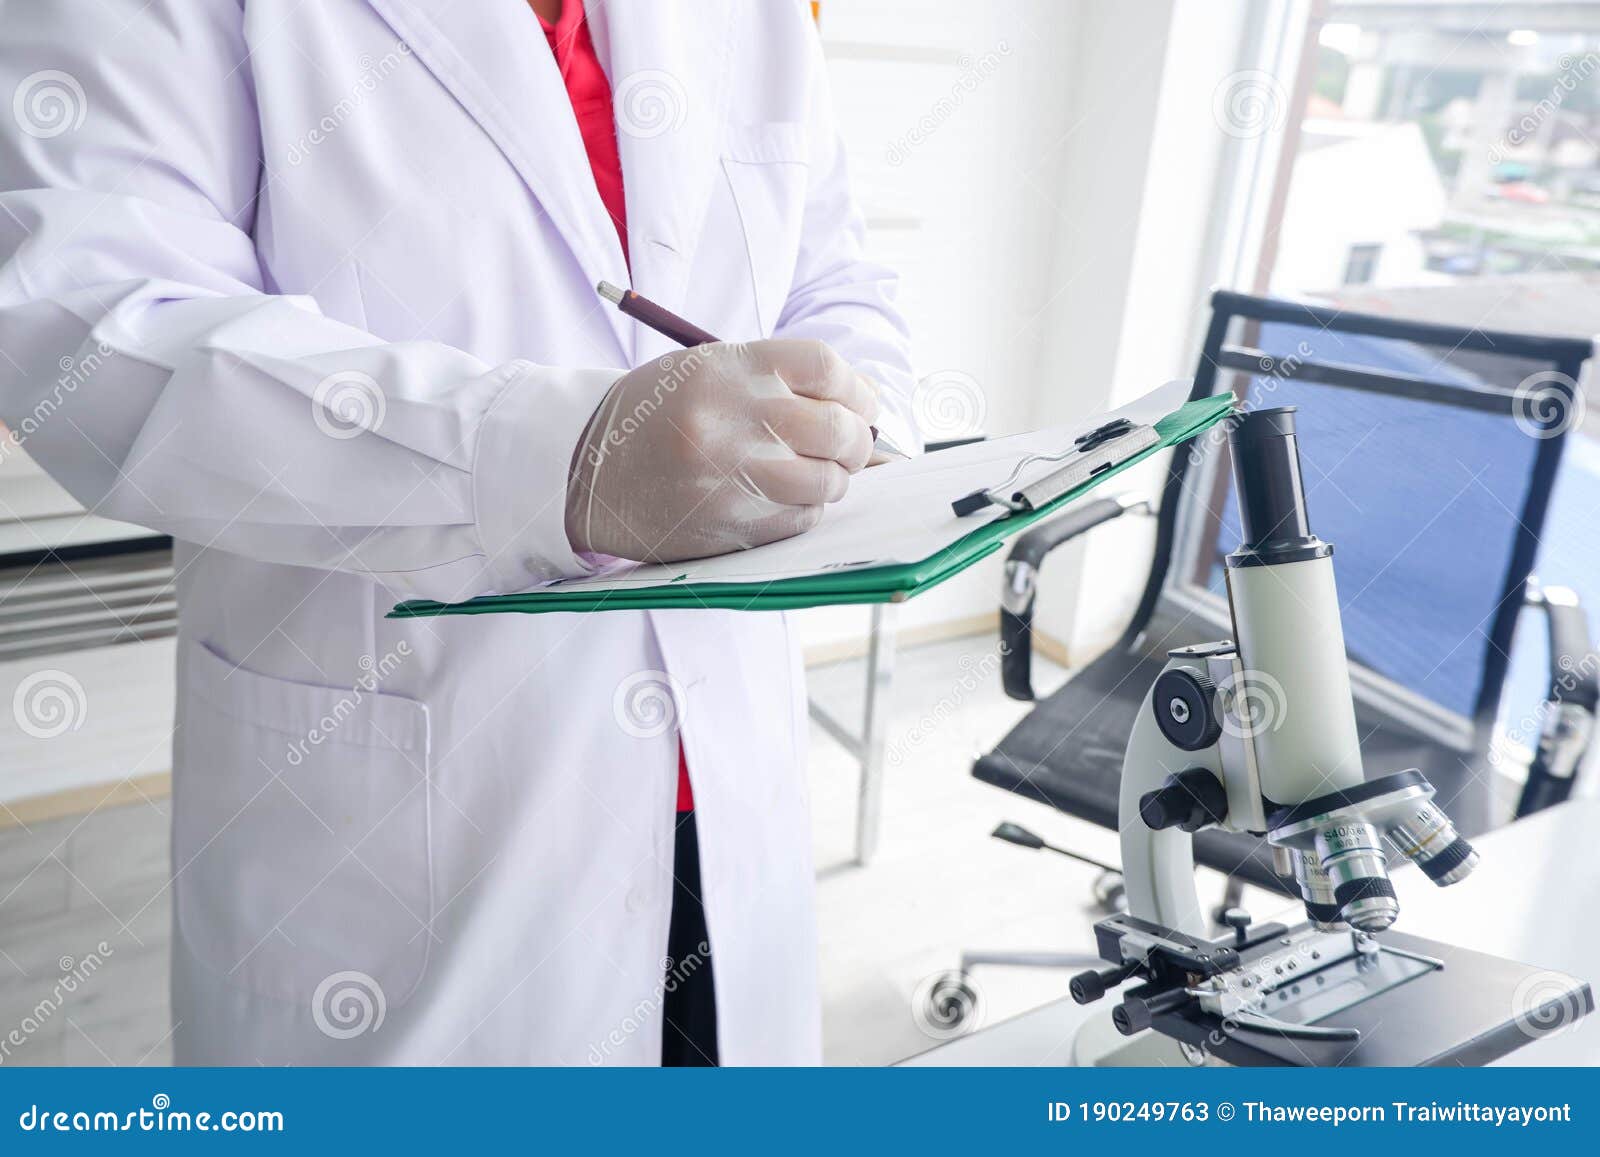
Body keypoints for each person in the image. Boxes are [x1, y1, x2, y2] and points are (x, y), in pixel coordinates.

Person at [0, 0, 915, 1065]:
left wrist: (856, 415)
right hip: (405, 820)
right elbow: (89, 319)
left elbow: (835, 273)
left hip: (722, 791)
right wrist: (555, 461)